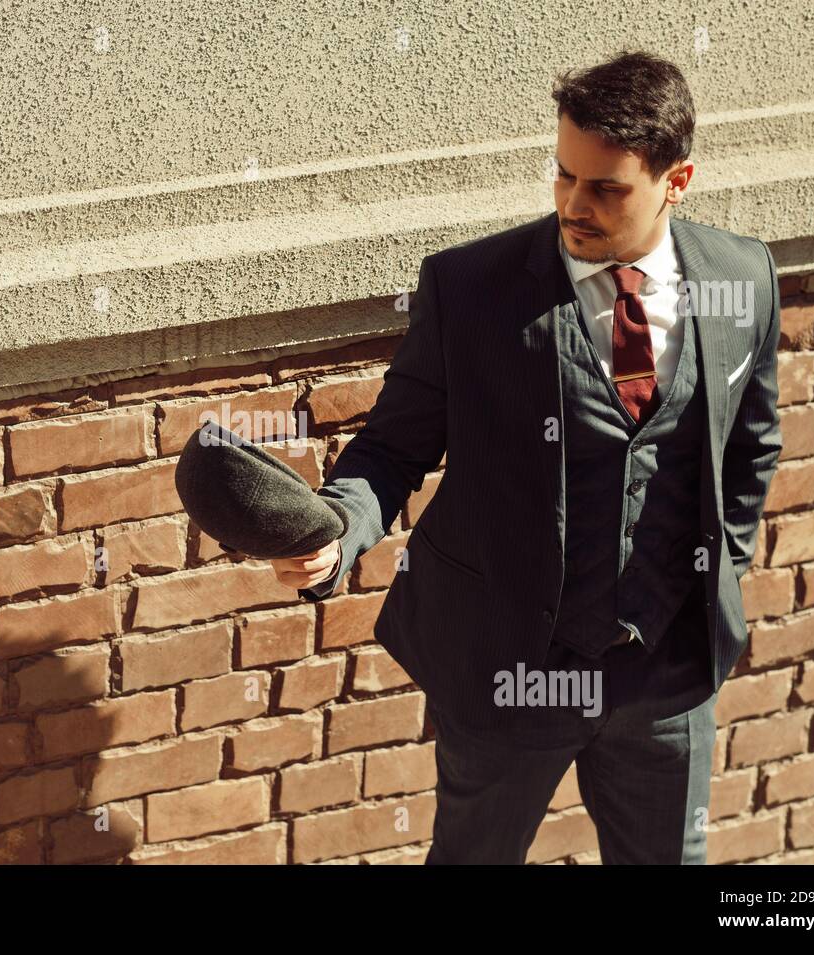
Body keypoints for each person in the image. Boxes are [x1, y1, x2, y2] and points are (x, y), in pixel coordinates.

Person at [271, 50, 781, 864]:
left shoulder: (742, 278)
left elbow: (753, 444)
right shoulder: (471, 287)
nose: (574, 204)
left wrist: (721, 568)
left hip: (665, 679)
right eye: (563, 175)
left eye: (606, 187)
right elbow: (393, 446)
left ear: (676, 180)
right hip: (514, 669)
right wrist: (342, 526)